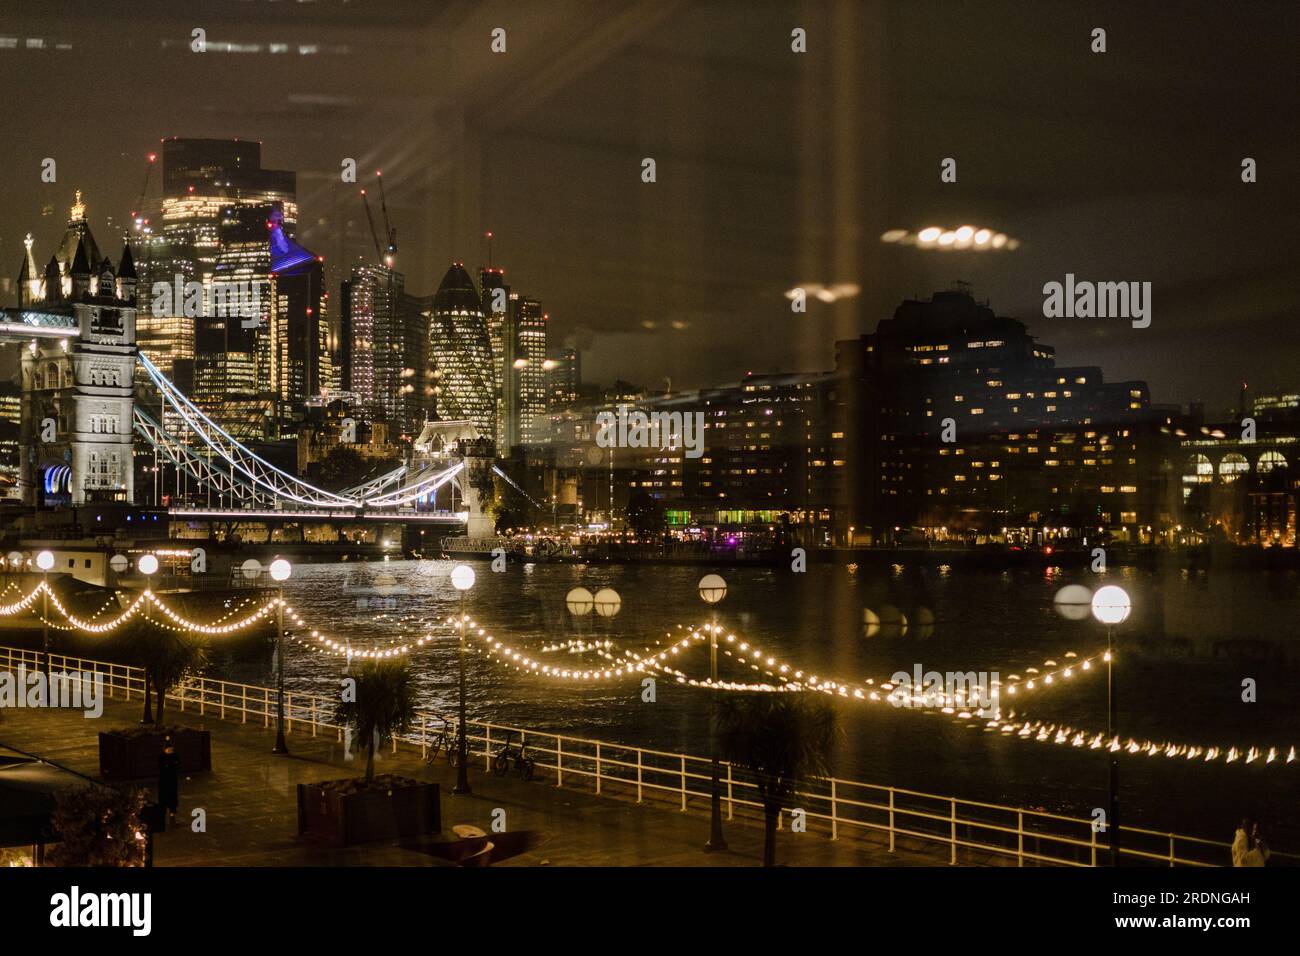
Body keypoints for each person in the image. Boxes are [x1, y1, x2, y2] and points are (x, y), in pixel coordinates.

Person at [158, 737, 181, 824]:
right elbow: (164, 767)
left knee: (172, 798)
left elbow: (177, 764)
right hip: (164, 781)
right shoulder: (161, 756)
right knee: (163, 798)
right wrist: (172, 765)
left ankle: (172, 815)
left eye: (172, 750)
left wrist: (170, 765)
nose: (171, 752)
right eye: (169, 750)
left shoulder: (174, 755)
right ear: (165, 749)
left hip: (172, 781)